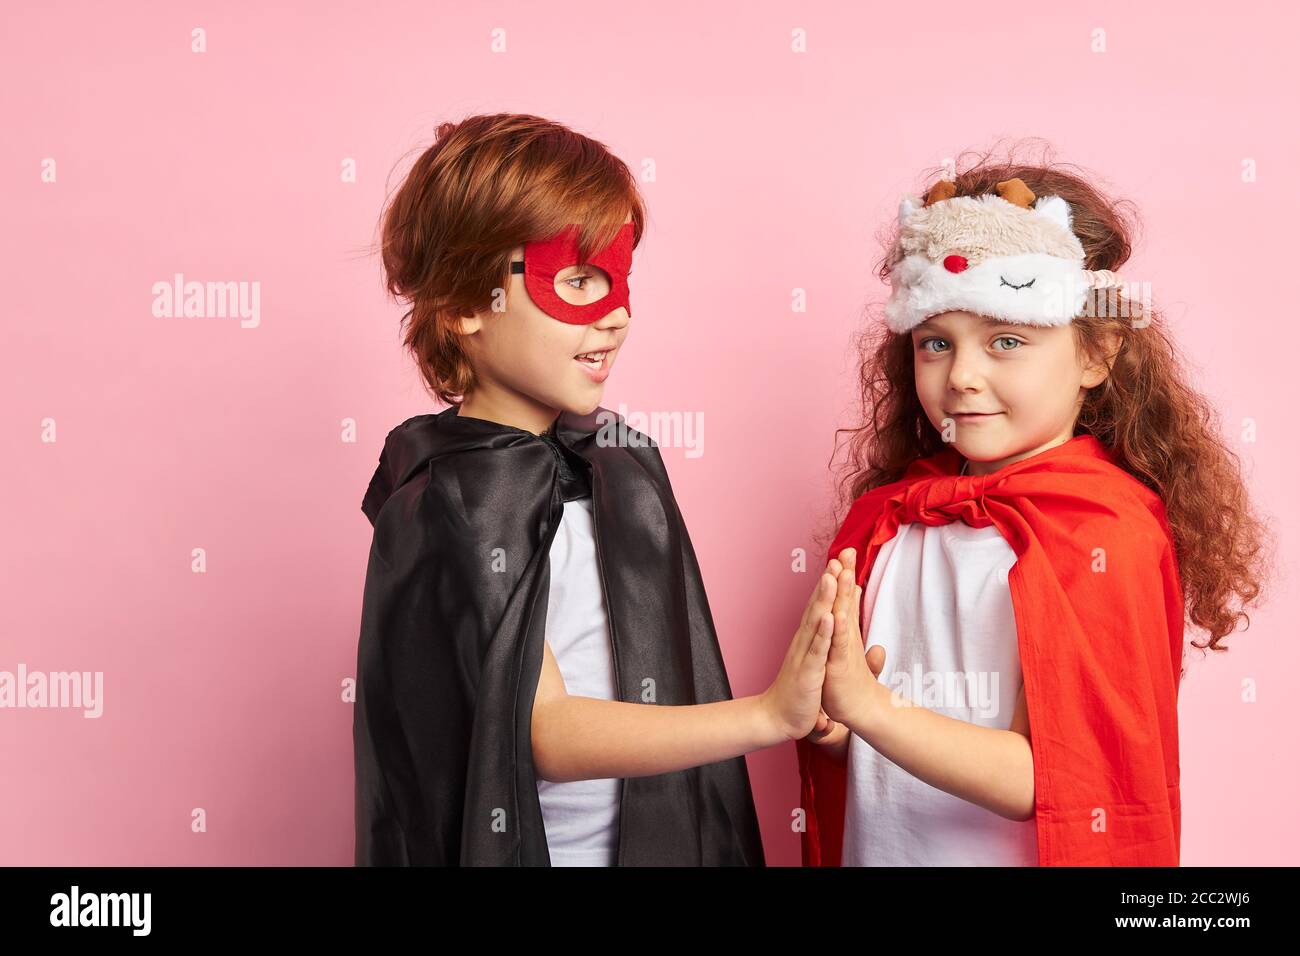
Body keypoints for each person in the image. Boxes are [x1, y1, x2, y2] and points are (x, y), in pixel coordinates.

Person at [354, 112, 840, 866]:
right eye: (578, 280)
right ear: (461, 304)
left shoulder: (622, 466)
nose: (616, 314)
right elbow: (543, 730)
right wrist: (768, 715)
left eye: (620, 278)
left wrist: (812, 707)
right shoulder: (452, 500)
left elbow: (673, 675)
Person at [797, 147, 1275, 866]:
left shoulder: (1097, 529)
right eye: (935, 343)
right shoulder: (891, 518)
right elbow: (867, 745)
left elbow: (1055, 779)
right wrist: (835, 726)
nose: (962, 376)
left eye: (1008, 341)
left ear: (1097, 354)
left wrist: (869, 707)